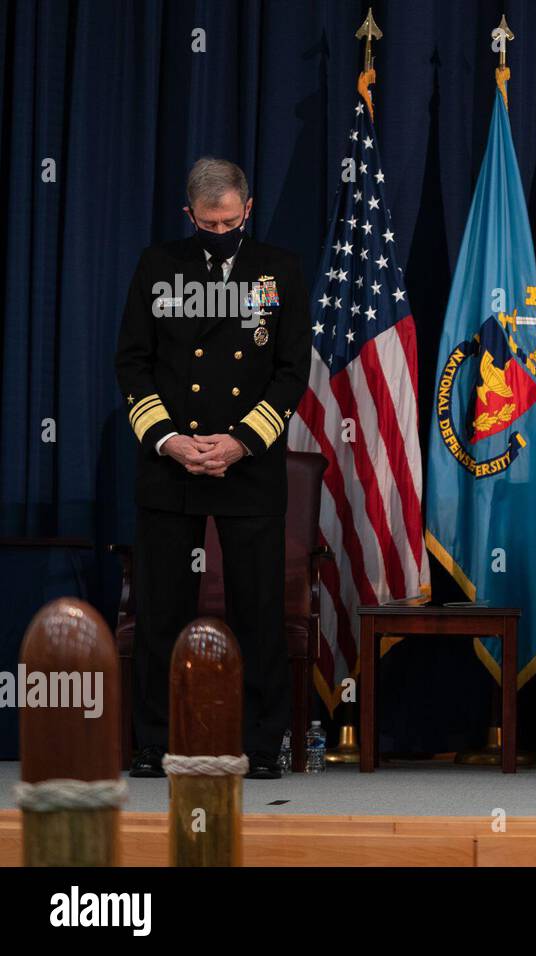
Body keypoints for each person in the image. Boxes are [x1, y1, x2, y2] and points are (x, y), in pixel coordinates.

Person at [115, 157, 310, 779]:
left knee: (257, 610)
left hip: (247, 465)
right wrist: (169, 439)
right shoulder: (158, 266)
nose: (220, 230)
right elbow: (133, 363)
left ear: (247, 209)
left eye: (230, 221)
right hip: (169, 464)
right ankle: (153, 738)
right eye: (208, 222)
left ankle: (261, 740)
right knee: (160, 611)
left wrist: (241, 441)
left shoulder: (279, 270)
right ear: (188, 216)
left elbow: (290, 372)